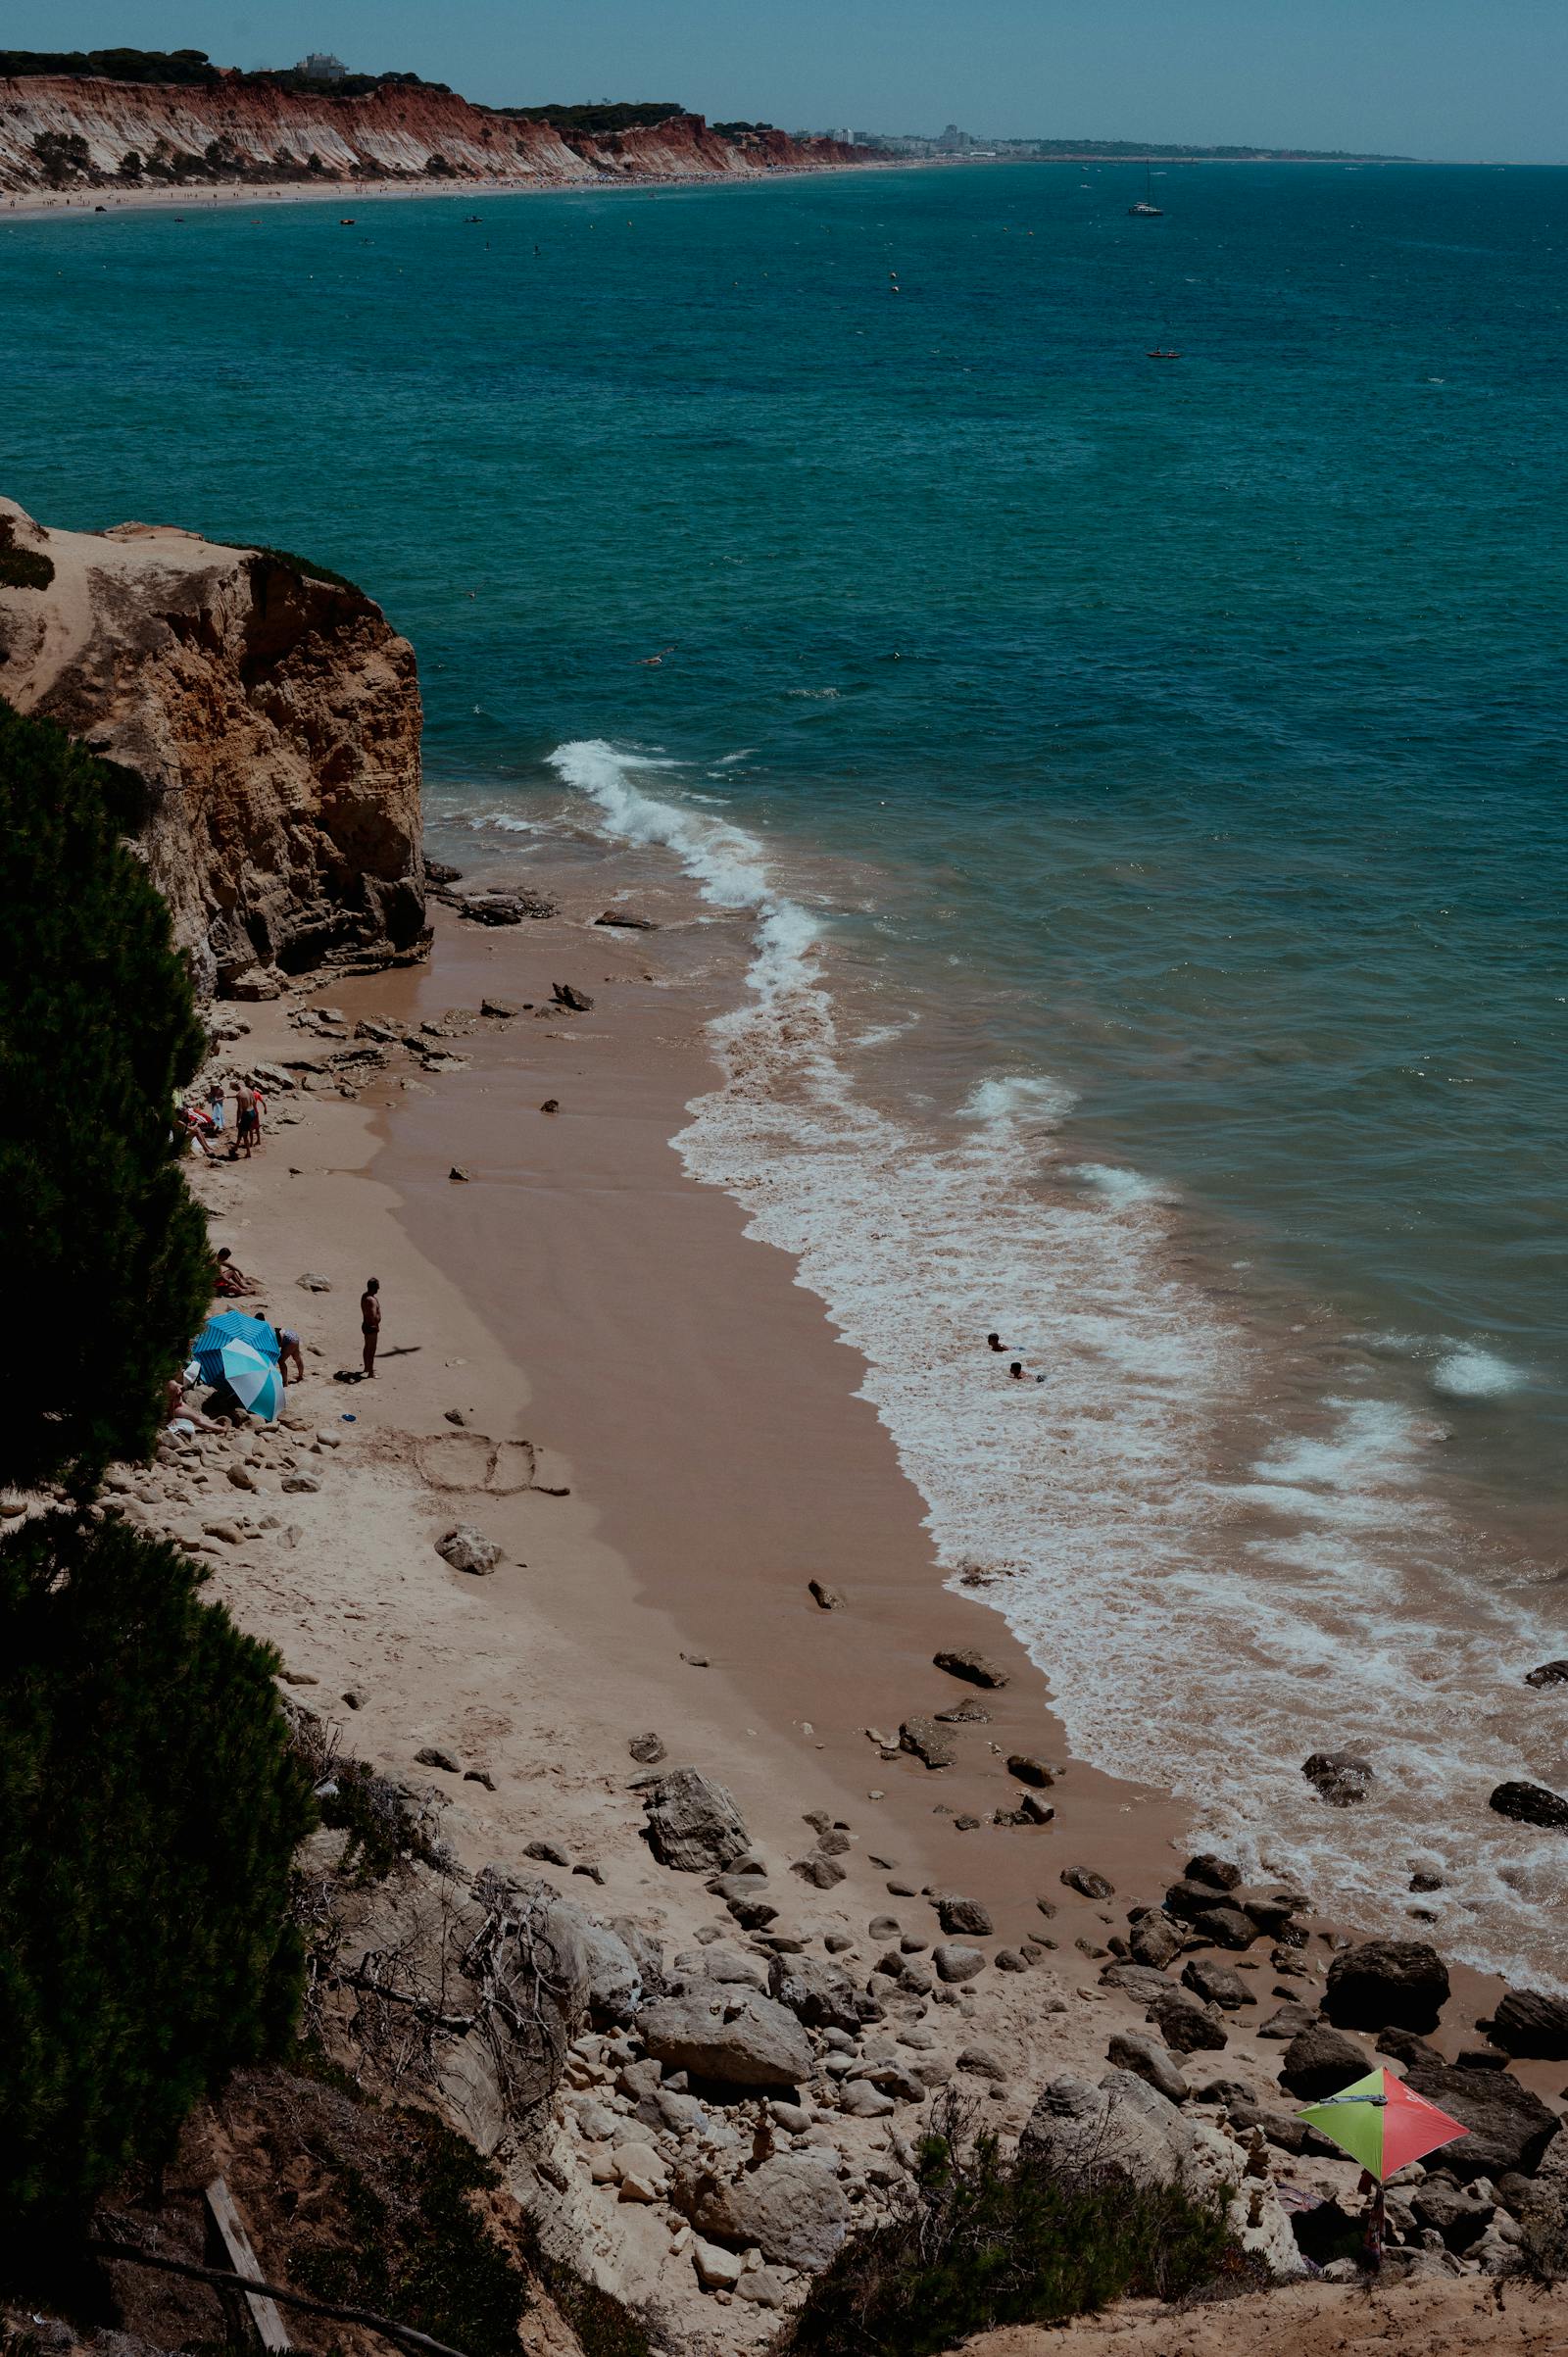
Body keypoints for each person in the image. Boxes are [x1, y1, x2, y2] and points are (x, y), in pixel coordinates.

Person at [230, 1081, 258, 1159]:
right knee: (241, 1129)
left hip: (246, 1114)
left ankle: (248, 1153)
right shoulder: (248, 1089)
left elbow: (240, 1109)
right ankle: (236, 1146)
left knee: (245, 1133)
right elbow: (254, 1102)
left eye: (233, 1088)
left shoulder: (239, 1095)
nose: (234, 1090)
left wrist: (237, 1120)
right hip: (252, 1112)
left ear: (236, 1086)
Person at [361, 1277, 381, 1378]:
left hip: (365, 1325)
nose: (379, 1288)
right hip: (371, 1327)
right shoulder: (372, 1300)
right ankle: (371, 1373)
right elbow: (373, 1315)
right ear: (374, 1287)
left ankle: (366, 1367)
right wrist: (377, 1322)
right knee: (372, 1350)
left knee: (366, 1347)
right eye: (378, 1286)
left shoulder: (364, 1296)